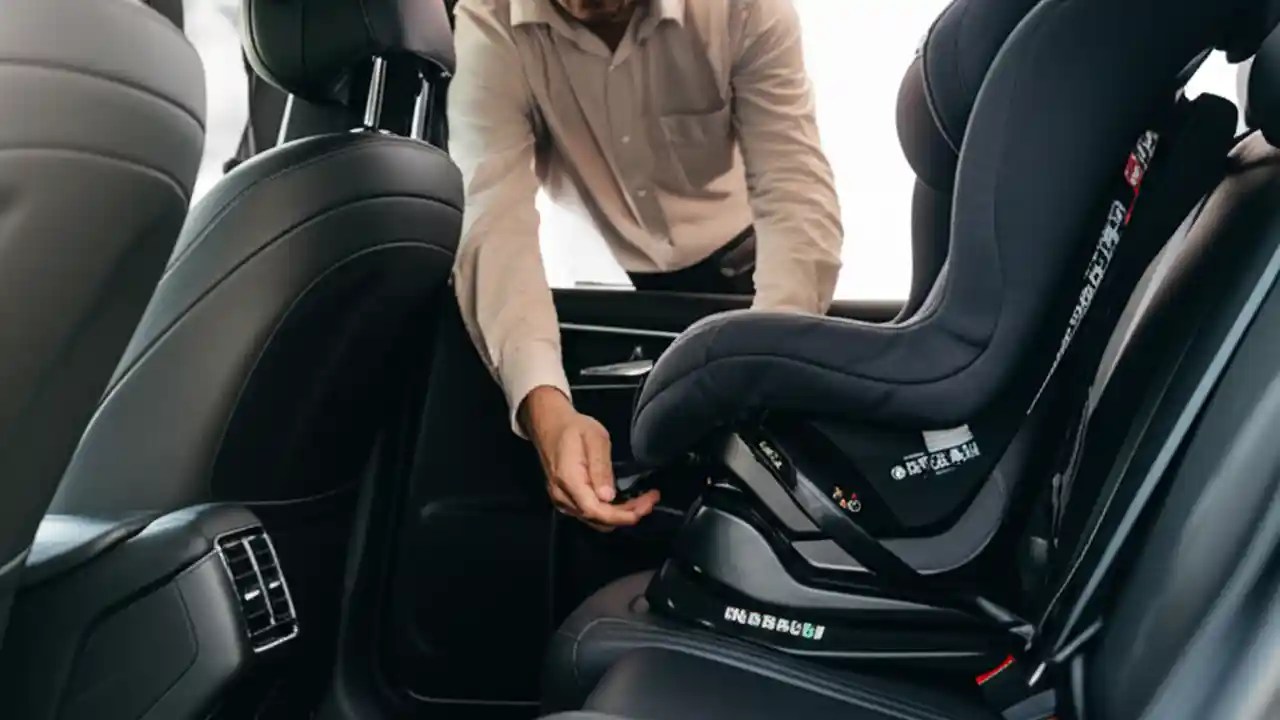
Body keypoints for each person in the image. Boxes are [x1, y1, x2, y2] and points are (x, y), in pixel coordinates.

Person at [449, 0, 843, 532]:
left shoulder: (743, 9)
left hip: (745, 265)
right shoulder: (490, 18)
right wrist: (546, 411)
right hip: (617, 269)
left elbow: (794, 190)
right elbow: (494, 222)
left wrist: (763, 372)